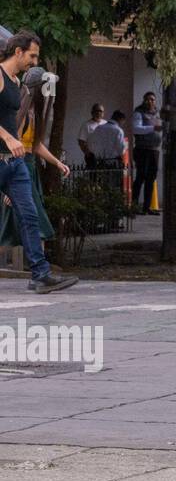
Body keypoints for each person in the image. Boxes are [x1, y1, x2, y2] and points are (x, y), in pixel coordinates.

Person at [0, 31, 77, 293]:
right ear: (18, 51)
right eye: (32, 55)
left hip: (15, 164)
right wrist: (7, 138)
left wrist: (18, 142)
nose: (34, 61)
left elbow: (27, 136)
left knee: (30, 216)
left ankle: (40, 274)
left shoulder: (17, 84)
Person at [0, 68, 69, 255]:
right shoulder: (20, 113)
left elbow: (35, 145)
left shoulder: (34, 113)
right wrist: (10, 187)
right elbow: (13, 148)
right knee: (15, 228)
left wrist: (57, 163)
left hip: (29, 168)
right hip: (18, 168)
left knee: (29, 226)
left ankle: (41, 272)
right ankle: (42, 272)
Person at [131, 92, 162, 214]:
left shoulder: (156, 113)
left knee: (151, 178)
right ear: (144, 100)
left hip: (154, 149)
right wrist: (153, 128)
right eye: (148, 99)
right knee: (141, 176)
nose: (150, 101)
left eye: (152, 99)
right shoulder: (139, 113)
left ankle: (147, 207)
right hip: (142, 149)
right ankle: (133, 205)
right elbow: (136, 129)